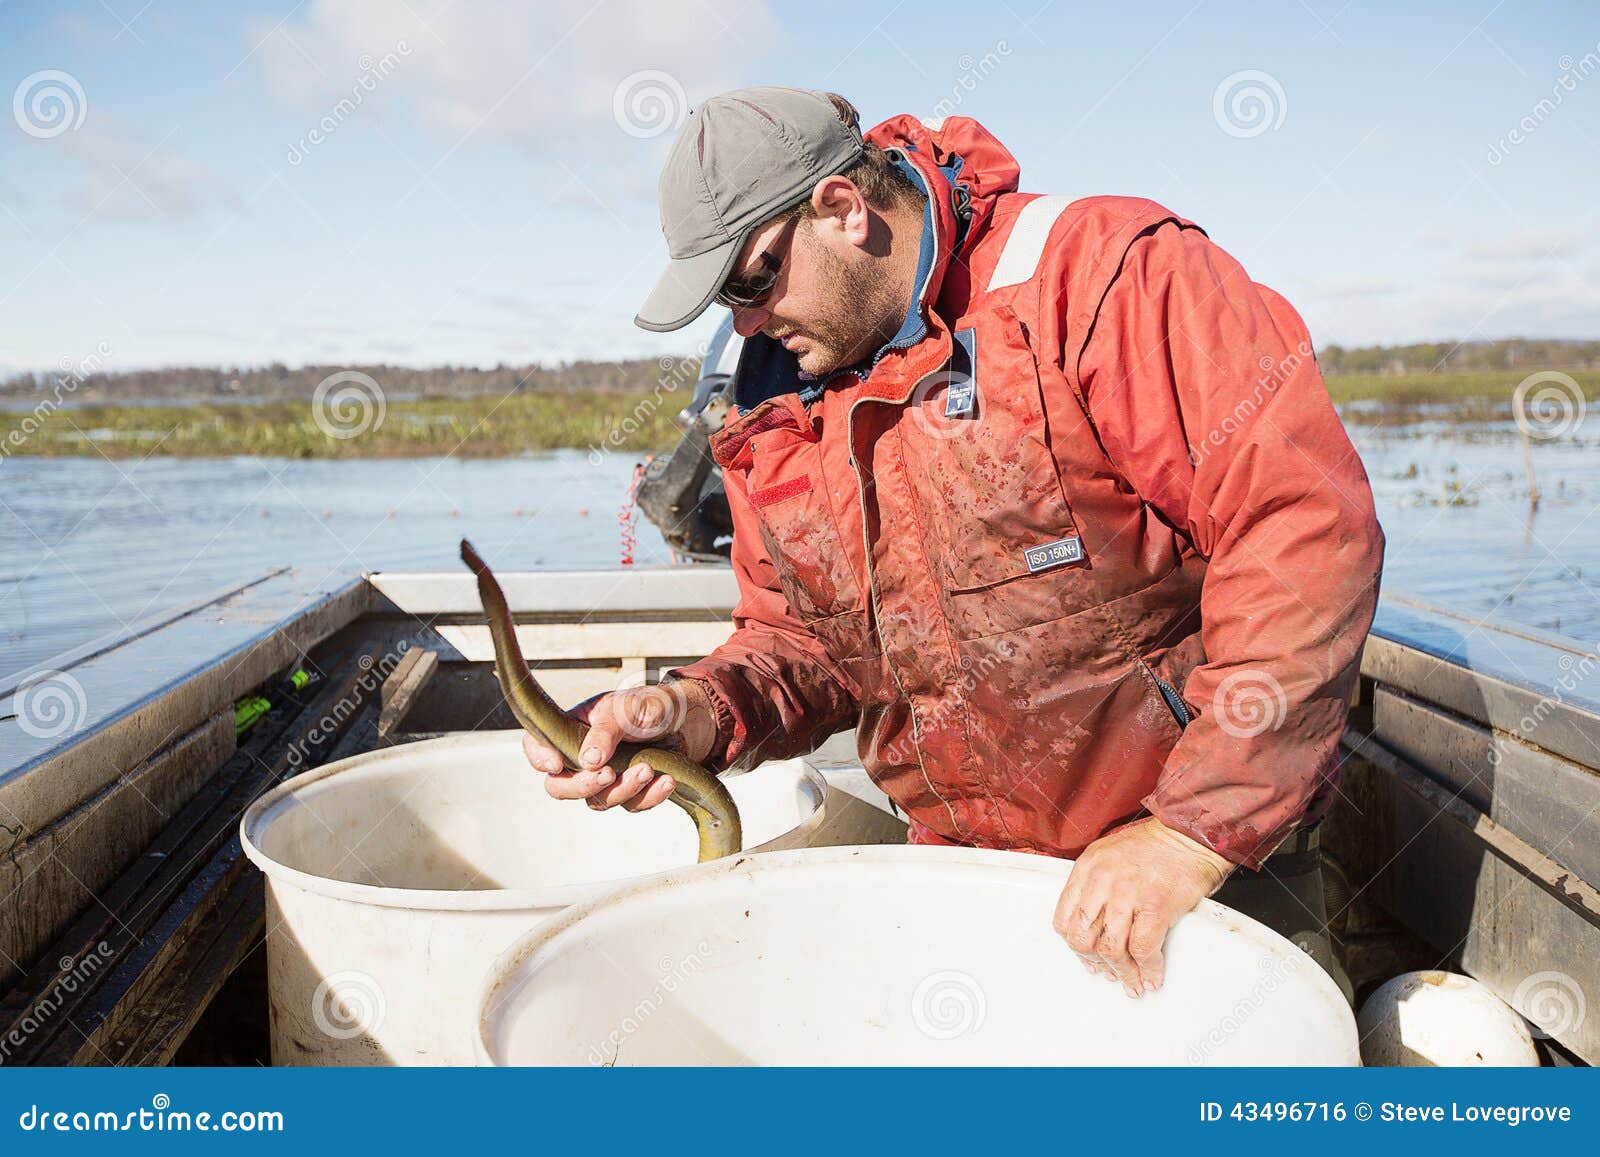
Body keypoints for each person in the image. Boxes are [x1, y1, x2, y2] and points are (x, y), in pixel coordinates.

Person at [521, 86, 1384, 1000]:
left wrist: (1189, 832)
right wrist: (694, 710)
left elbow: (1299, 528)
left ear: (844, 211)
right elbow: (808, 644)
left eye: (750, 280)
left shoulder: (1098, 276)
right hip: (963, 881)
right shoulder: (774, 401)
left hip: (1202, 872)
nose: (741, 322)